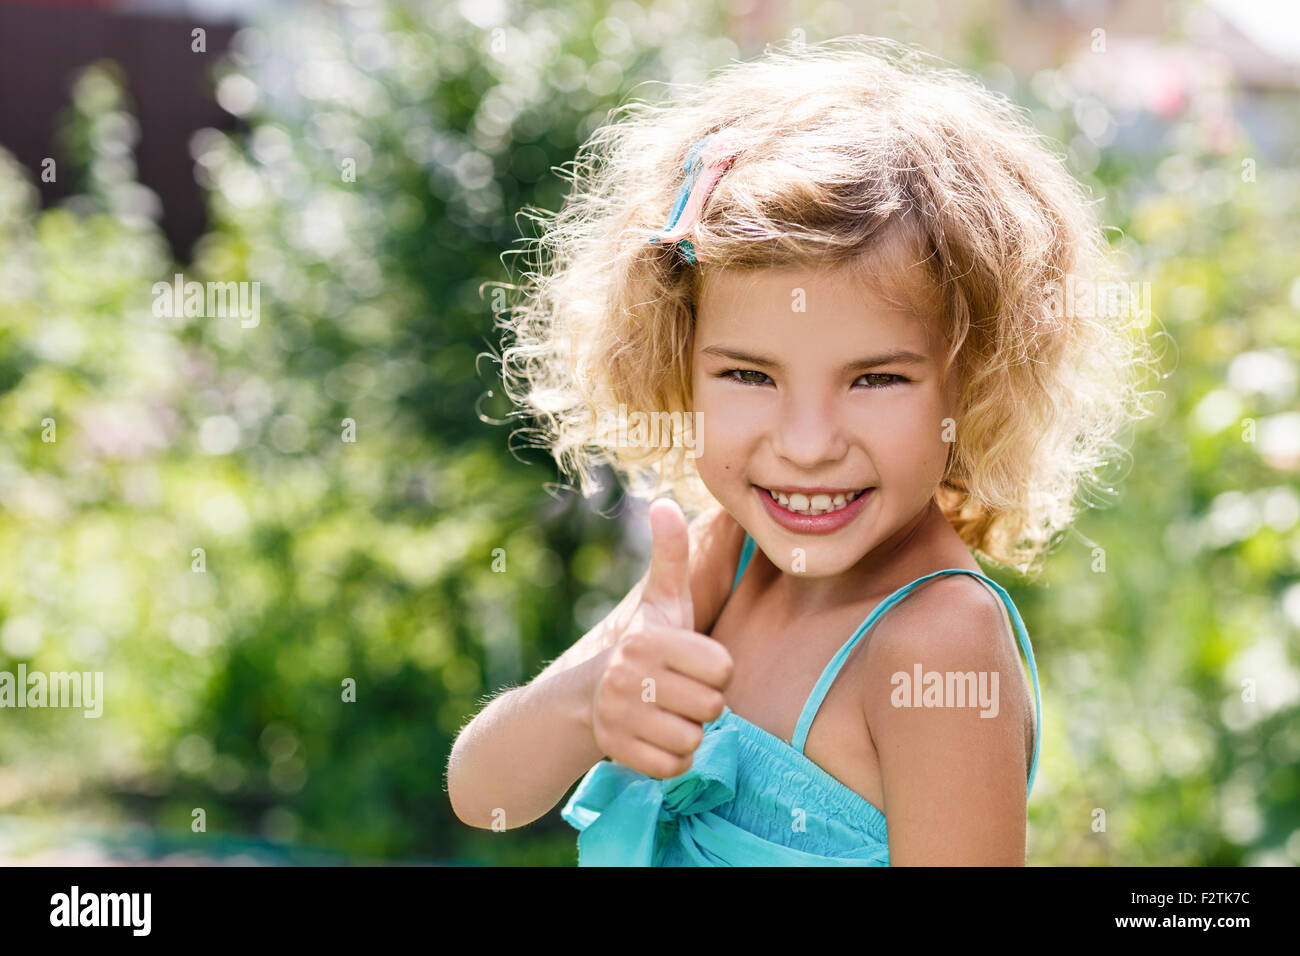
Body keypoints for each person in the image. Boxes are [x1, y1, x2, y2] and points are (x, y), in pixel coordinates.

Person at [448, 35, 1156, 865]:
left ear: (974, 381)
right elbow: (484, 796)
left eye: (876, 381)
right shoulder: (728, 556)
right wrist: (590, 704)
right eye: (751, 374)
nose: (809, 446)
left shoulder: (938, 641)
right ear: (678, 360)